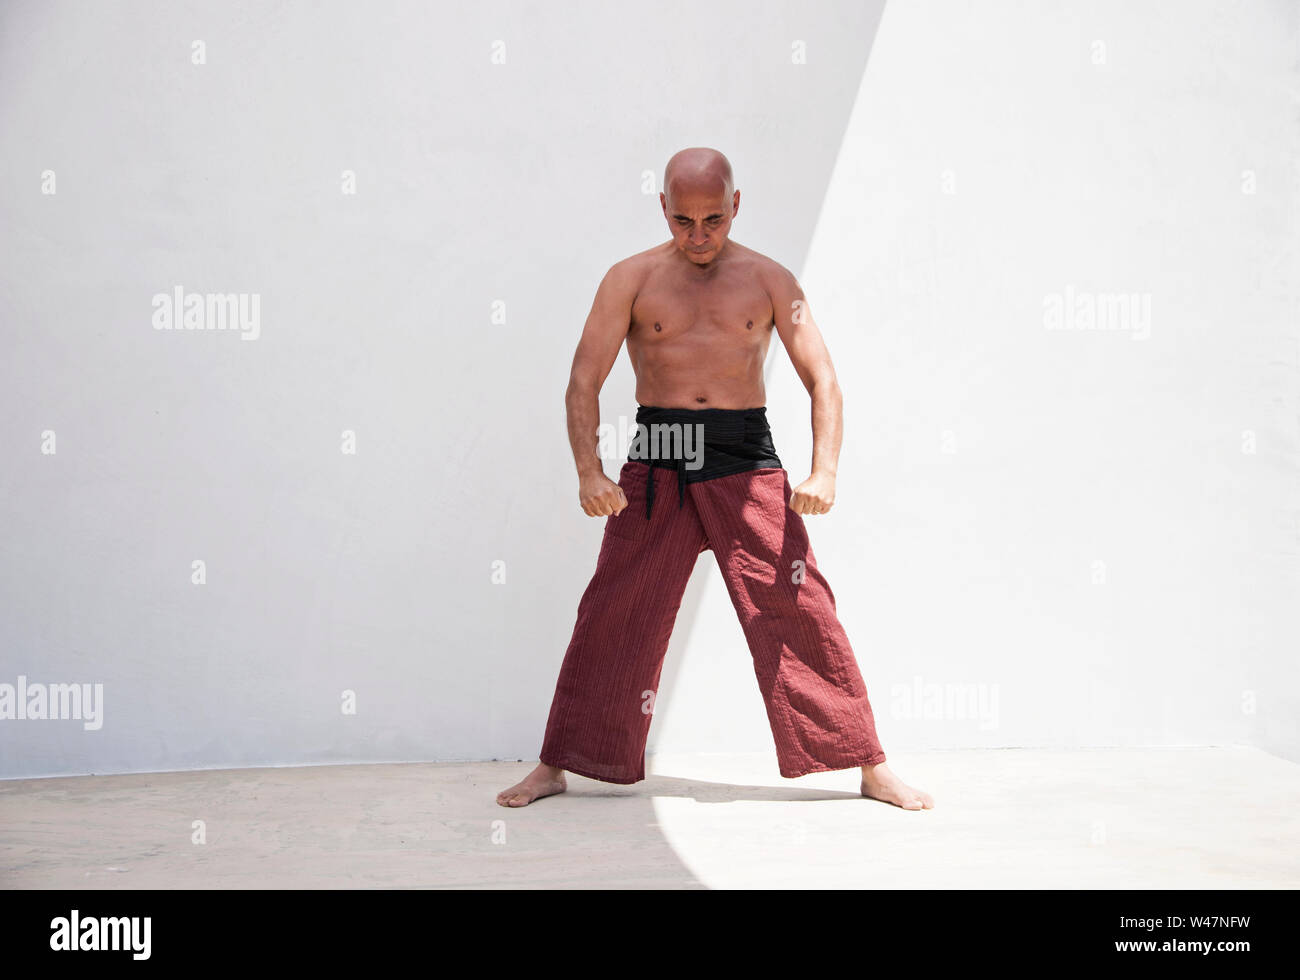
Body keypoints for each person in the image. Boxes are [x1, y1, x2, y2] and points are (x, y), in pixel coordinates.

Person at [497, 147, 934, 811]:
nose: (698, 236)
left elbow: (823, 378)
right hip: (658, 458)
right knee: (613, 613)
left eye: (712, 220)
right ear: (662, 209)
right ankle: (557, 764)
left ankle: (869, 765)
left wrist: (826, 469)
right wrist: (588, 470)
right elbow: (585, 377)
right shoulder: (630, 279)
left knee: (800, 607)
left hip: (745, 458)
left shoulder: (771, 281)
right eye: (682, 221)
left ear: (736, 204)